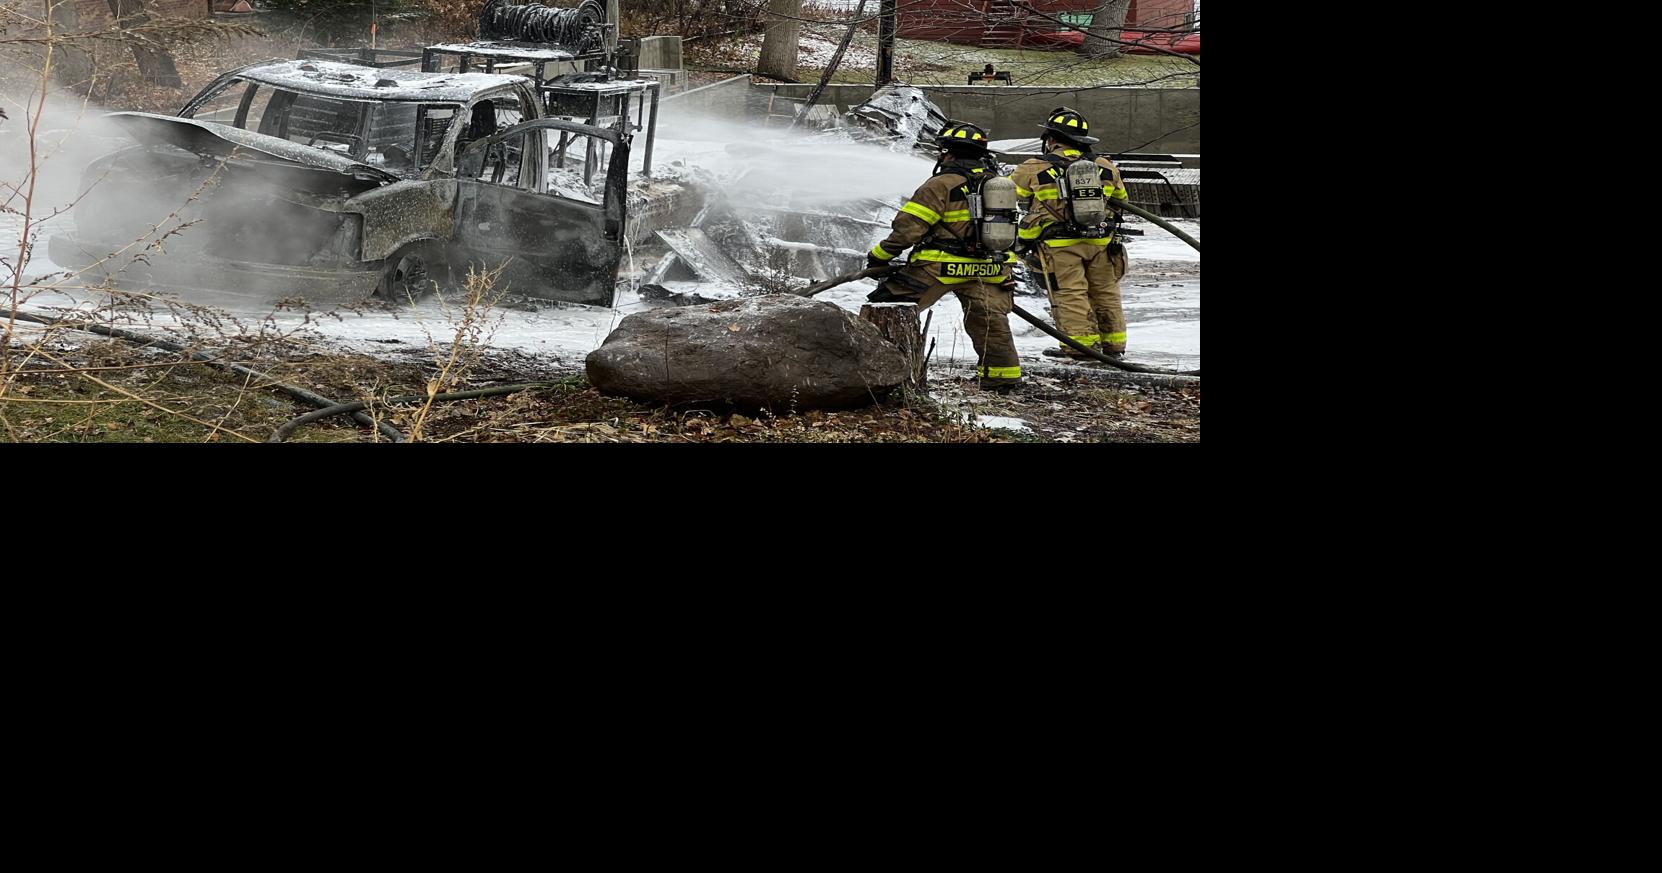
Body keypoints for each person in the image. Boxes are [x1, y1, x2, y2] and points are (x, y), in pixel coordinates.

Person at [866, 122, 1022, 391]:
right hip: (991, 268)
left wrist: (879, 256)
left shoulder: (939, 185)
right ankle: (1002, 379)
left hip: (940, 266)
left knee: (889, 309)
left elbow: (907, 230)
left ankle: (880, 377)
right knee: (991, 323)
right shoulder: (998, 185)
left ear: (947, 153)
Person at [1011, 107, 1131, 358]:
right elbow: (1121, 199)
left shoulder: (1035, 167)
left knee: (1070, 293)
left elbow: (1007, 195)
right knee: (1105, 292)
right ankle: (1114, 346)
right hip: (1101, 241)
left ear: (1051, 139)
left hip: (1059, 245)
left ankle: (1081, 348)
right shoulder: (1105, 166)